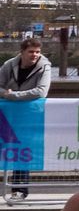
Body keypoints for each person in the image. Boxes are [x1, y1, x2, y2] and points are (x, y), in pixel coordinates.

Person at [1, 37, 51, 202]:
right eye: (31, 52)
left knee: (22, 151)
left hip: (30, 115)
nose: (35, 55)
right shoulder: (9, 65)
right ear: (22, 52)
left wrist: (13, 95)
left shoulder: (44, 66)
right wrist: (4, 94)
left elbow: (41, 91)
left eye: (37, 52)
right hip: (8, 113)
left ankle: (19, 189)